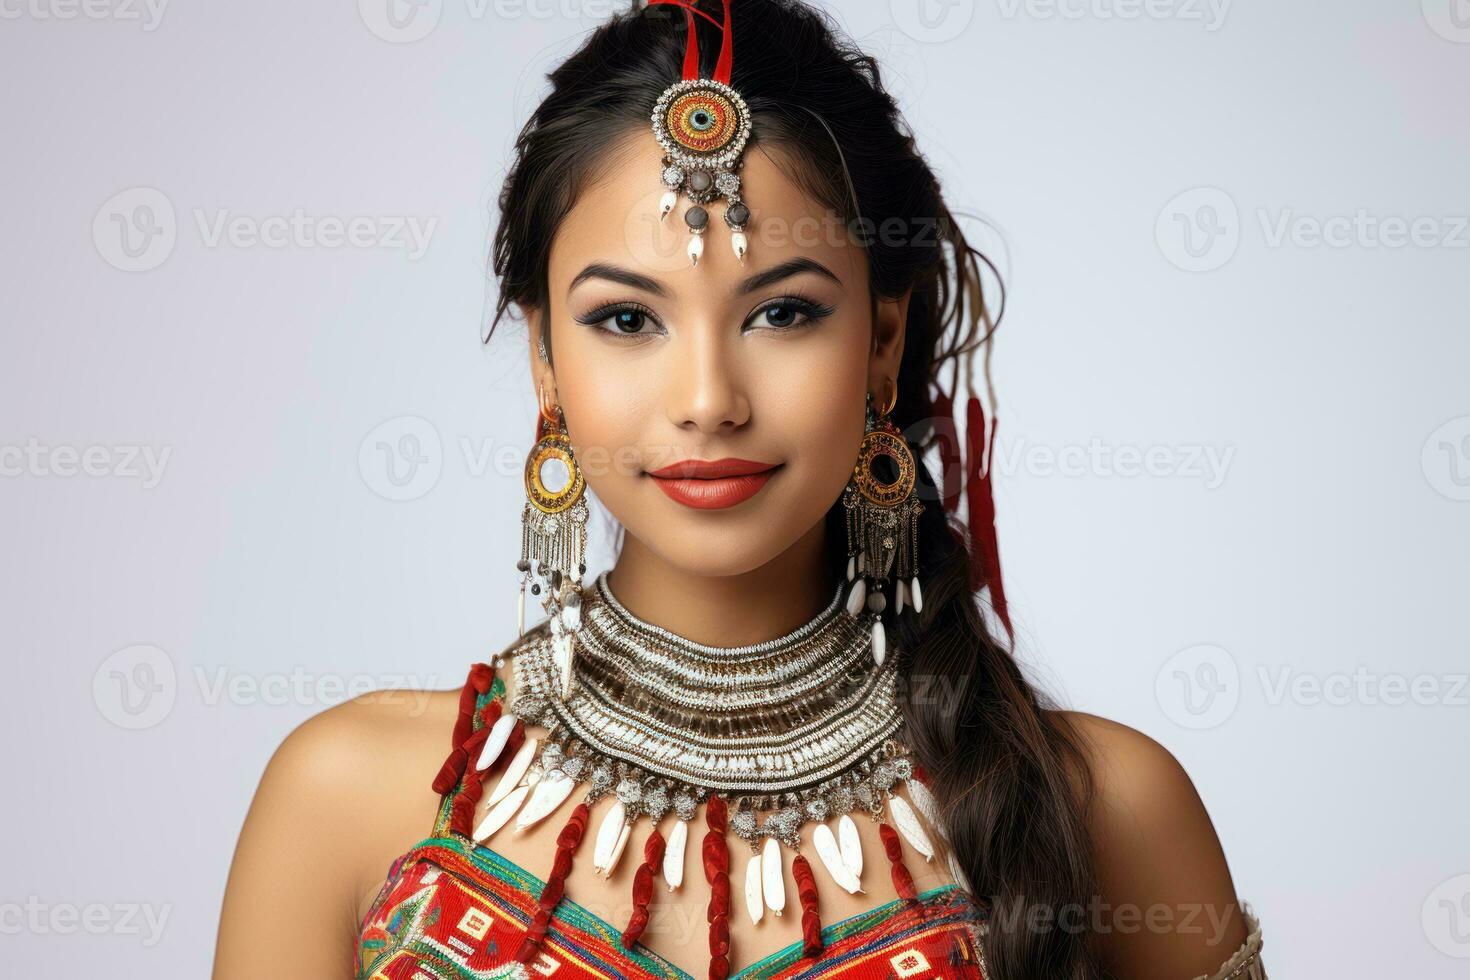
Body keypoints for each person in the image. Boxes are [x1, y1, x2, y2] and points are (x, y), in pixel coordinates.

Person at [213, 2, 1265, 977]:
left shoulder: (1109, 810)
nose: (709, 399)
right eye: (627, 319)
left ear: (882, 340)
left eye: (783, 314)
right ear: (544, 357)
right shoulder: (346, 798)